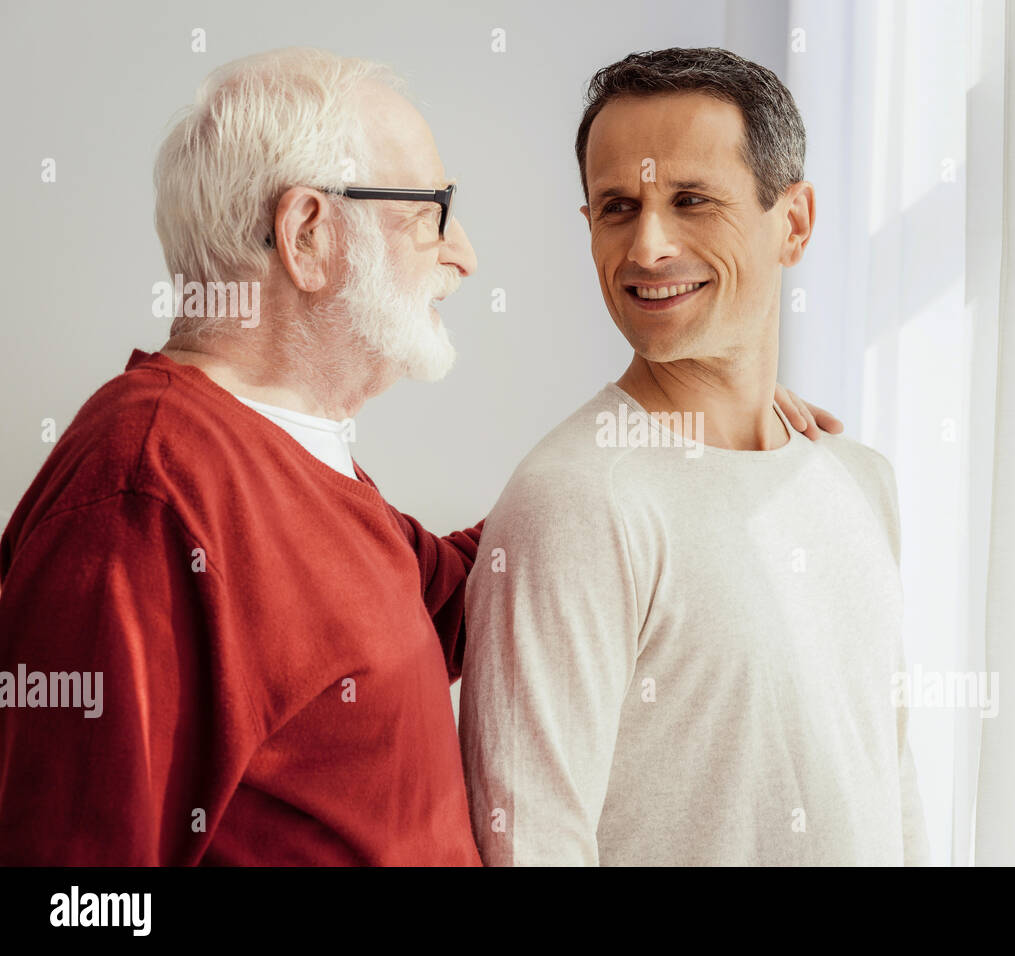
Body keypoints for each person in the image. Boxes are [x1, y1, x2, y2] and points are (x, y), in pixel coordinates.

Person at [0, 47, 835, 865]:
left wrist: (703, 416)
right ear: (309, 234)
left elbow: (486, 584)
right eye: (431, 209)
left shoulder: (297, 458)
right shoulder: (145, 493)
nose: (463, 254)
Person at [458, 47, 929, 866]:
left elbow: (893, 793)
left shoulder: (860, 483)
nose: (646, 247)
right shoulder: (575, 502)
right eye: (616, 207)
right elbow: (531, 847)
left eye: (691, 200)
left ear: (795, 222)